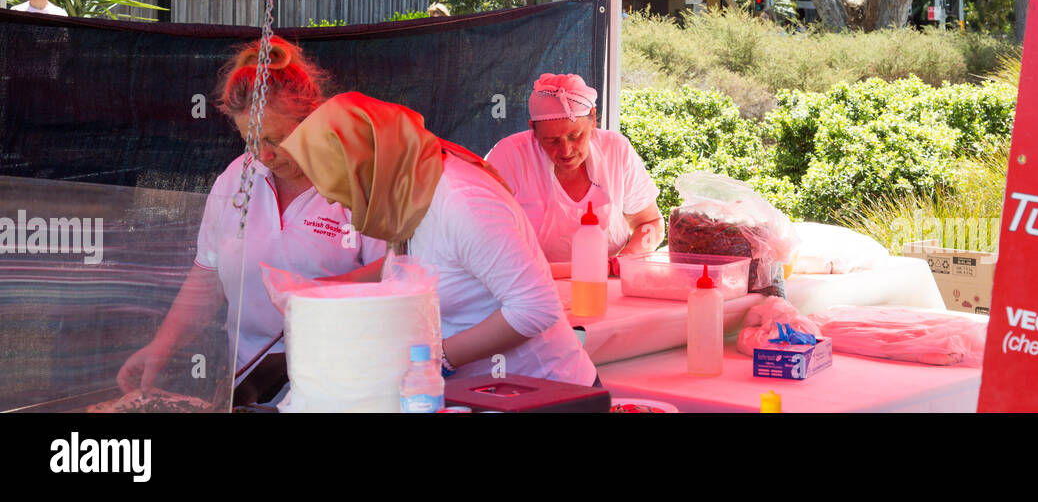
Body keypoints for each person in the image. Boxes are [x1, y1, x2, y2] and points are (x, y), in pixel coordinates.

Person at [117, 38, 386, 404]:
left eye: (277, 139)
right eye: (251, 141)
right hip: (249, 390)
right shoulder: (235, 178)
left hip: (345, 390)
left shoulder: (360, 182)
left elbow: (397, 282)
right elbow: (207, 275)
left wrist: (321, 296)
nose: (264, 155)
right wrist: (162, 345)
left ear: (313, 118)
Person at [281, 92, 598, 386]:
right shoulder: (408, 185)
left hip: (543, 390)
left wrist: (437, 358)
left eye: (342, 188)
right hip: (482, 391)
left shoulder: (463, 202)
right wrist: (323, 290)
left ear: (369, 168)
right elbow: (411, 265)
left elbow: (536, 308)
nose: (337, 202)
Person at [487, 73, 663, 277]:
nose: (566, 151)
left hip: (606, 284)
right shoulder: (509, 156)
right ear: (533, 130)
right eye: (551, 140)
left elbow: (650, 223)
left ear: (593, 119)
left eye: (575, 136)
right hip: (531, 286)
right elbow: (484, 237)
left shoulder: (616, 150)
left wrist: (627, 259)